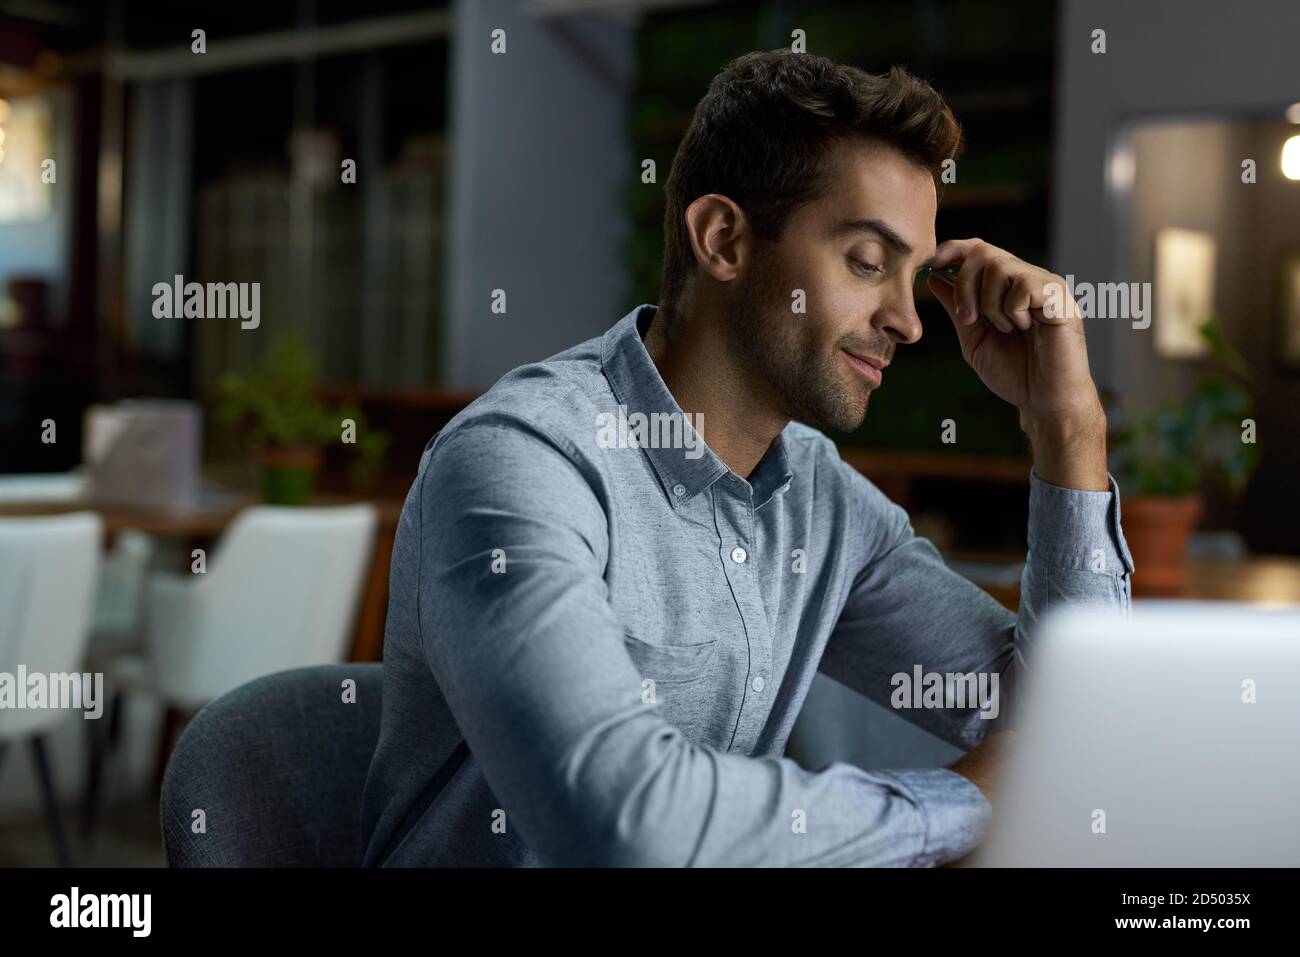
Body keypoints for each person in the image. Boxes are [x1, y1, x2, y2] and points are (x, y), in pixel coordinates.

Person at [361, 49, 1134, 867]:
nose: (908, 321)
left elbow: (1065, 722)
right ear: (724, 239)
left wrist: (1068, 425)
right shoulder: (524, 462)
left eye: (918, 279)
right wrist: (960, 800)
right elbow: (615, 817)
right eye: (868, 264)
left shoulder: (822, 504)